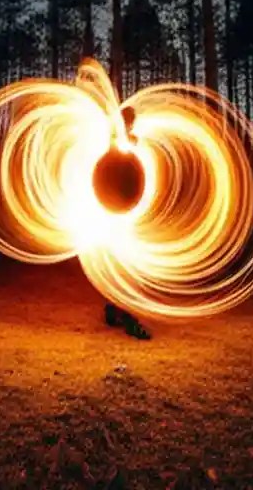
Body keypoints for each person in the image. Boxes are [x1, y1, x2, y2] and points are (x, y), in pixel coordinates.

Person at [102, 105, 151, 340]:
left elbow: (136, 175)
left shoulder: (128, 141)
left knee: (121, 266)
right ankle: (128, 318)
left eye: (132, 122)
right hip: (114, 211)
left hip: (122, 209)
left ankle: (113, 308)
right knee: (125, 267)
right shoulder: (114, 142)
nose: (131, 126)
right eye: (129, 121)